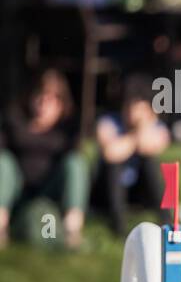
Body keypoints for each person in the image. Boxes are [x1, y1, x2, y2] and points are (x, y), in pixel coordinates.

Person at [0, 69, 89, 249]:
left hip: (51, 188)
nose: (43, 104)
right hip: (17, 188)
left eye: (51, 99)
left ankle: (73, 230)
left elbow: (74, 166)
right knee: (3, 161)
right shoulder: (14, 121)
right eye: (40, 96)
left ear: (61, 104)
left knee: (76, 163)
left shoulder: (67, 129)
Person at [93, 75, 170, 235]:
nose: (132, 112)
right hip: (105, 192)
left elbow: (153, 145)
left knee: (150, 162)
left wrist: (140, 131)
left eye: (139, 107)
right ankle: (118, 225)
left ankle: (166, 221)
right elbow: (110, 153)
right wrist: (137, 134)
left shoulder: (158, 128)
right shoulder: (108, 123)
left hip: (138, 192)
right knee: (115, 164)